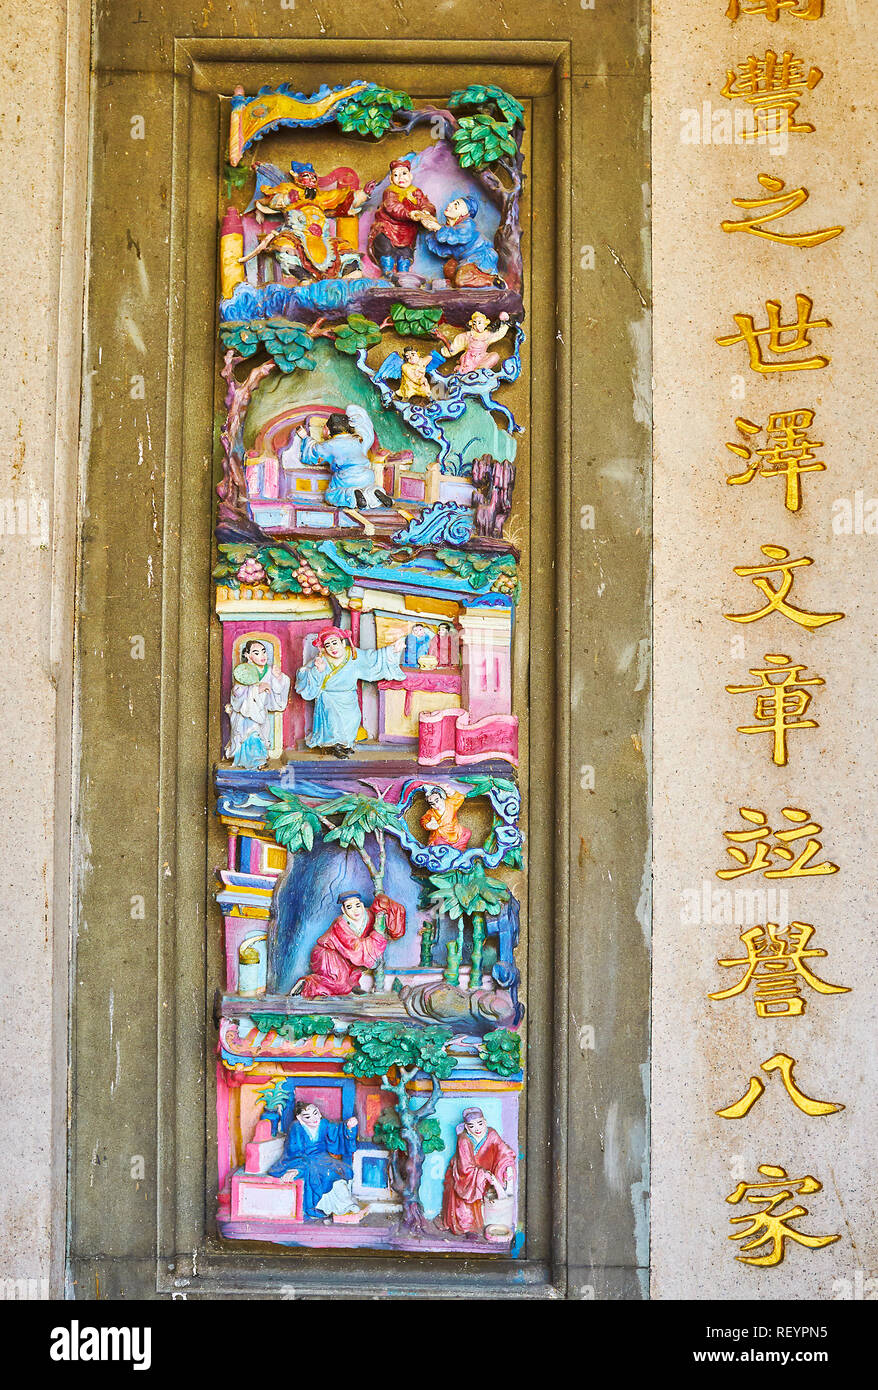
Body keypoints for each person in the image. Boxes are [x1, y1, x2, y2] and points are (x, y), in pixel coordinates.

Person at [241, 160, 366, 282]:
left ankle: (350, 273)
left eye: (314, 177)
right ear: (296, 176)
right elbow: (270, 200)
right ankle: (304, 277)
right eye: (307, 176)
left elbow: (341, 198)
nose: (311, 180)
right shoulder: (288, 188)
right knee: (285, 245)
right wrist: (287, 199)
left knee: (343, 247)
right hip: (296, 234)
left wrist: (364, 194)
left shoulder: (320, 196)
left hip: (322, 238)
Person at [296, 626, 404, 755]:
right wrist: (316, 670)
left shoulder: (354, 655)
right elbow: (303, 673)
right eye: (328, 645)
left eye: (335, 643)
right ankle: (333, 747)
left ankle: (345, 744)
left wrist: (391, 650)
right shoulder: (321, 659)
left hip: (348, 697)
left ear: (342, 642)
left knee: (353, 719)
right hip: (329, 698)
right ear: (324, 648)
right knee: (332, 722)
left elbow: (373, 659)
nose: (332, 648)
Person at [292, 890, 406, 998]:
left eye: (357, 905)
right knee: (340, 984)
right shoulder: (340, 923)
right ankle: (308, 984)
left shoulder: (370, 916)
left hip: (346, 955)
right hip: (327, 953)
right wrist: (377, 936)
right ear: (343, 909)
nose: (355, 910)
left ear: (362, 904)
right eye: (349, 907)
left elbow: (384, 912)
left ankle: (353, 985)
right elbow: (356, 948)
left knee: (358, 962)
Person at [267, 1100, 364, 1221]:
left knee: (341, 1171)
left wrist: (349, 1127)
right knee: (326, 1175)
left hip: (322, 1157)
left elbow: (337, 1131)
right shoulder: (296, 1127)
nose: (314, 1119)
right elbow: (293, 1151)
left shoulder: (323, 1124)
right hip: (305, 1160)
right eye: (307, 1116)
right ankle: (322, 1207)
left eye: (315, 1113)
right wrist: (297, 1168)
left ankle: (345, 1206)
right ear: (299, 1118)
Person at [296, 405, 392, 510]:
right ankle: (376, 491)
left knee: (331, 495)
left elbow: (312, 453)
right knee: (368, 488)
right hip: (367, 475)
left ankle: (352, 495)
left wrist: (305, 437)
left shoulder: (329, 445)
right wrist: (354, 415)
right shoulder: (359, 439)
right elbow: (366, 430)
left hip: (346, 477)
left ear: (328, 430)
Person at [439, 1108, 516, 1237]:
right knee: (465, 1213)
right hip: (464, 1179)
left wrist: (507, 1166)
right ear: (467, 1128)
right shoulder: (464, 1140)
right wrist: (483, 1174)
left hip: (484, 1176)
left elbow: (504, 1151)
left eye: (480, 1123)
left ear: (485, 1122)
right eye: (471, 1126)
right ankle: (467, 1229)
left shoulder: (491, 1134)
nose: (477, 1128)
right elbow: (465, 1167)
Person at [367, 158, 439, 280]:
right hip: (388, 227)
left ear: (410, 176)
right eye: (396, 175)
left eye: (404, 173)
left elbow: (427, 204)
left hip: (408, 231)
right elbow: (394, 208)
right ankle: (387, 273)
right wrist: (410, 214)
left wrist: (426, 212)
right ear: (391, 179)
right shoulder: (390, 192)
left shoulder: (416, 192)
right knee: (385, 247)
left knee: (405, 253)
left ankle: (403, 275)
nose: (401, 177)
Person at [224, 639, 290, 769]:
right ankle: (253, 761)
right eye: (257, 653)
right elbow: (237, 692)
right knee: (251, 734)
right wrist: (255, 689)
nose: (262, 656)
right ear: (248, 656)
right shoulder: (245, 671)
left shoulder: (270, 670)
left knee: (261, 734)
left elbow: (279, 688)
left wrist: (278, 678)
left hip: (260, 711)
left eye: (263, 652)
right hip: (246, 712)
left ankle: (259, 758)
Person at [424, 194, 501, 286]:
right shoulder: (449, 228)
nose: (450, 205)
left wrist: (438, 228)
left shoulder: (468, 224)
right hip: (462, 260)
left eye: (456, 205)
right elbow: (443, 249)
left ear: (464, 213)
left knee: (461, 279)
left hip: (479, 256)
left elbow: (459, 236)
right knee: (449, 268)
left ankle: (492, 281)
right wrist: (432, 227)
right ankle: (456, 285)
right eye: (452, 203)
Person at [440, 310, 510, 374]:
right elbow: (452, 349)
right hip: (469, 359)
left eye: (479, 323)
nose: (477, 325)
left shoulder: (488, 335)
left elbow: (499, 333)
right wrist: (443, 338)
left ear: (485, 324)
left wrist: (504, 320)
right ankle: (470, 373)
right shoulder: (467, 336)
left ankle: (480, 371)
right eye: (474, 323)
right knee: (466, 372)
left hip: (482, 358)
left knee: (495, 356)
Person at [420, 784, 471, 850]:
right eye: (432, 804)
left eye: (437, 800)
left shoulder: (450, 804)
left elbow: (459, 798)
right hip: (441, 835)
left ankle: (460, 849)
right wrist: (428, 825)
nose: (436, 805)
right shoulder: (431, 812)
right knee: (439, 844)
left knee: (467, 833)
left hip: (455, 830)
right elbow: (423, 820)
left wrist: (449, 790)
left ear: (442, 797)